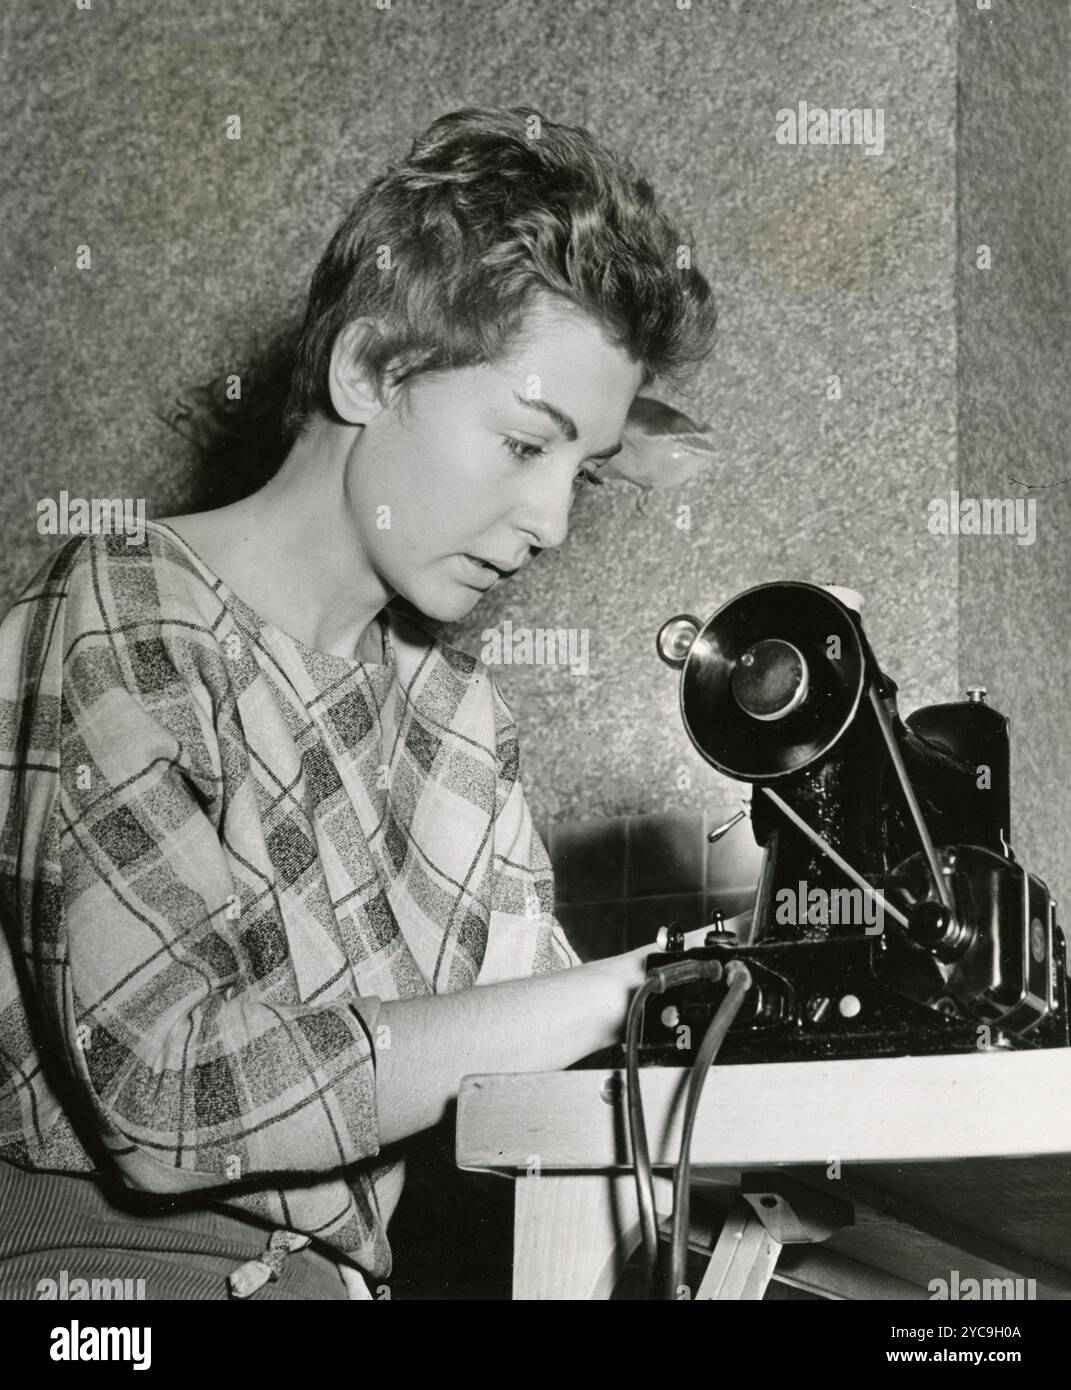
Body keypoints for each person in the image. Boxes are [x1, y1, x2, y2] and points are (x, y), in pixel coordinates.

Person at [0, 106, 717, 1300]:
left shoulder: (456, 719)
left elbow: (551, 1056)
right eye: (524, 445)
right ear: (370, 368)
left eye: (581, 474)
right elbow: (170, 1092)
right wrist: (634, 989)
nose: (550, 524)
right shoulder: (127, 607)